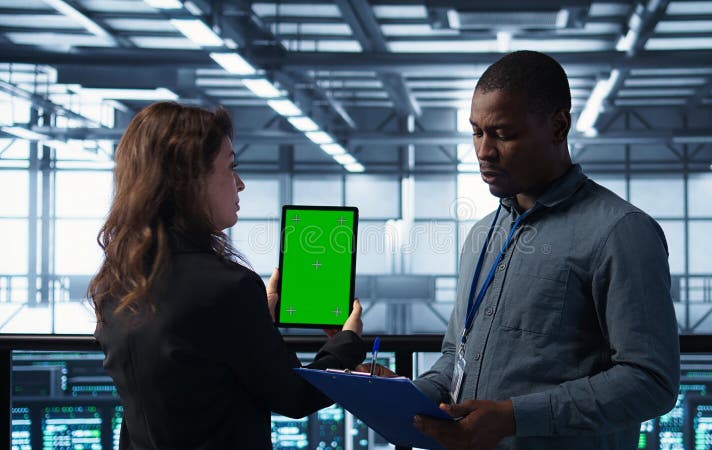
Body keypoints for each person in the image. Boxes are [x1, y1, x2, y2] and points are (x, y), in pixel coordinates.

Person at [376, 51, 680, 449]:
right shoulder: (482, 235)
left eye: (503, 134)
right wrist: (408, 396)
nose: (483, 151)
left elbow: (651, 381)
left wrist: (513, 418)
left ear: (558, 126)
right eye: (476, 132)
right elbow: (456, 355)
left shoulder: (620, 233)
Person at [89, 101, 366, 449]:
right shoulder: (228, 288)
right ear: (189, 180)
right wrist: (347, 344)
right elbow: (296, 396)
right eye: (230, 167)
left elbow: (189, 364)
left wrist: (253, 320)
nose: (240, 183)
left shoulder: (116, 282)